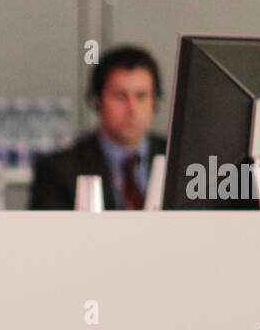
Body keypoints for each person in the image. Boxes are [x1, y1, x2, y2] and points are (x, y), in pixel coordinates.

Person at [30, 46, 166, 210]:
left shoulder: (181, 162)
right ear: (96, 101)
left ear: (155, 102)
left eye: (141, 96)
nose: (132, 109)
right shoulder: (59, 170)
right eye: (120, 96)